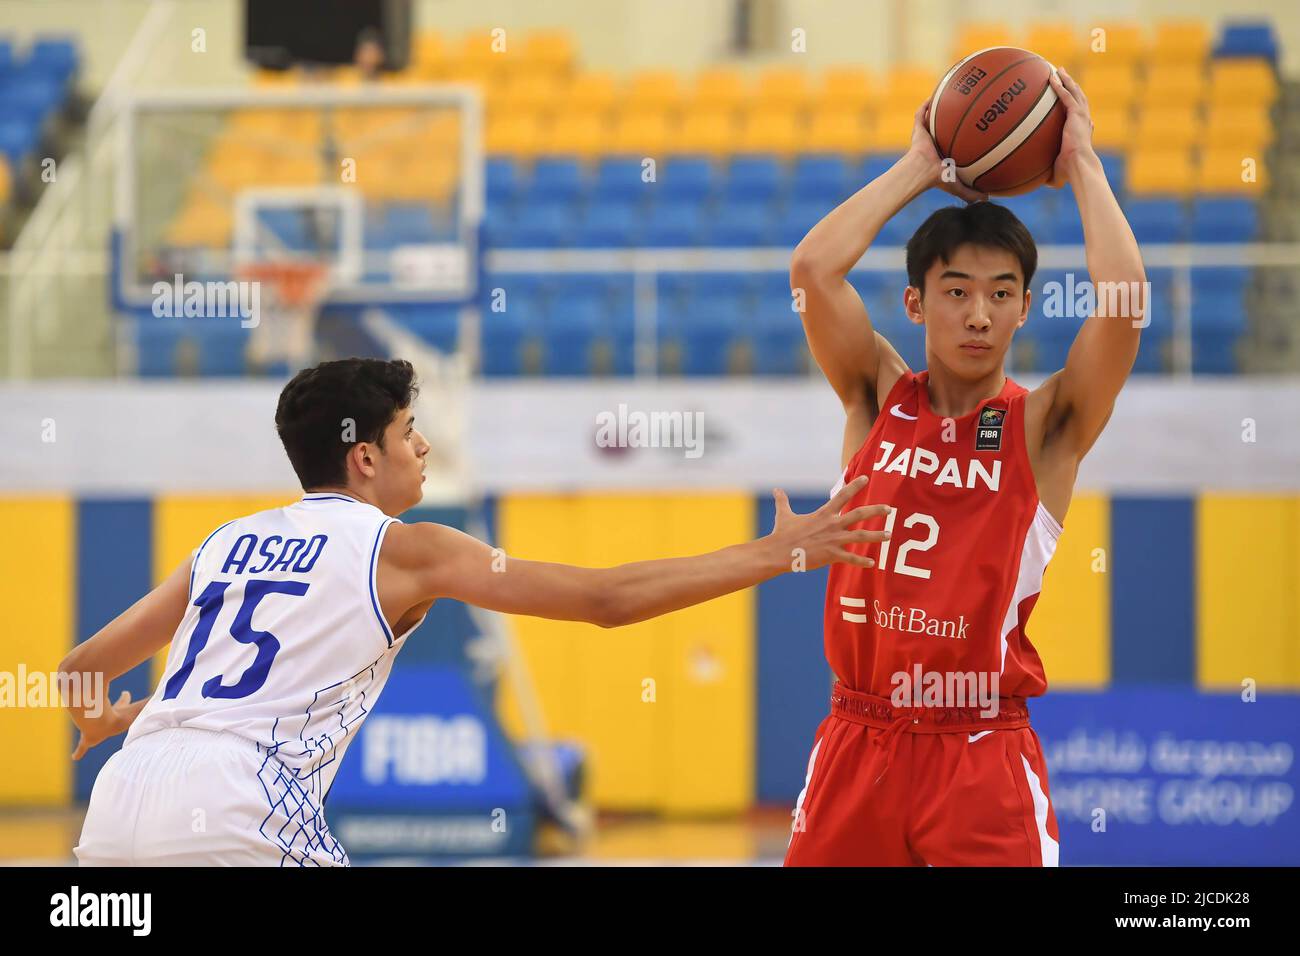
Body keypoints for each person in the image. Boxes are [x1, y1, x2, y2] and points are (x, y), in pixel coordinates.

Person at [63, 357, 889, 866]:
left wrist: (124, 718)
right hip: (241, 808)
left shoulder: (224, 542)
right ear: (364, 457)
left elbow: (78, 671)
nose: (423, 447)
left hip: (123, 797)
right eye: (409, 432)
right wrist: (781, 551)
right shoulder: (409, 550)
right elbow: (605, 600)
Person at [784, 70, 1145, 866]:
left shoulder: (1044, 426)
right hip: (859, 737)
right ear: (915, 304)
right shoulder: (875, 396)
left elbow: (1123, 307)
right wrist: (922, 163)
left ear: (1023, 307)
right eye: (956, 291)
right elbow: (813, 274)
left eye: (1001, 292)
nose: (978, 313)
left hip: (979, 749)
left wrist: (1082, 160)